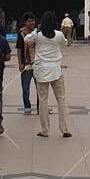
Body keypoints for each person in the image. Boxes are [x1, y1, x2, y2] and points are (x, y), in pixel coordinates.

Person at [30, 10, 72, 138]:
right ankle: (64, 129)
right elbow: (66, 43)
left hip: (41, 70)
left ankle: (45, 130)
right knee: (61, 99)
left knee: (43, 100)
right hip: (56, 70)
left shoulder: (38, 35)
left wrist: (35, 31)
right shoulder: (58, 35)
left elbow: (27, 39)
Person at [16, 15, 38, 114]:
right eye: (29, 21)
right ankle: (27, 106)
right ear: (25, 22)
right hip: (26, 64)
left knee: (40, 88)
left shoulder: (38, 33)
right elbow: (19, 49)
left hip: (37, 64)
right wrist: (20, 63)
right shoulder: (21, 33)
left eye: (33, 21)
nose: (31, 23)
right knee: (25, 87)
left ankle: (40, 107)